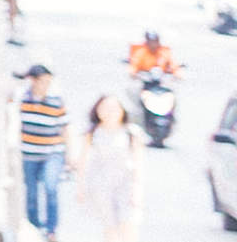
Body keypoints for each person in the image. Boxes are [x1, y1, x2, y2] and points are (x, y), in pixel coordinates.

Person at [68, 92, 144, 242]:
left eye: (114, 108)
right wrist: (80, 187)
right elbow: (82, 161)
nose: (109, 112)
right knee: (109, 226)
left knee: (127, 223)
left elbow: (139, 163)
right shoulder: (92, 132)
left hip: (125, 184)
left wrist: (138, 189)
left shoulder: (132, 133)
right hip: (101, 184)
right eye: (105, 108)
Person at [15, 63, 68, 236]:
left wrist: (69, 154)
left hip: (52, 152)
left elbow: (65, 127)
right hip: (29, 153)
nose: (45, 86)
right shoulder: (22, 99)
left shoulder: (55, 101)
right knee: (31, 192)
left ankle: (51, 229)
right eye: (42, 81)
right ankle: (34, 227)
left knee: (51, 187)